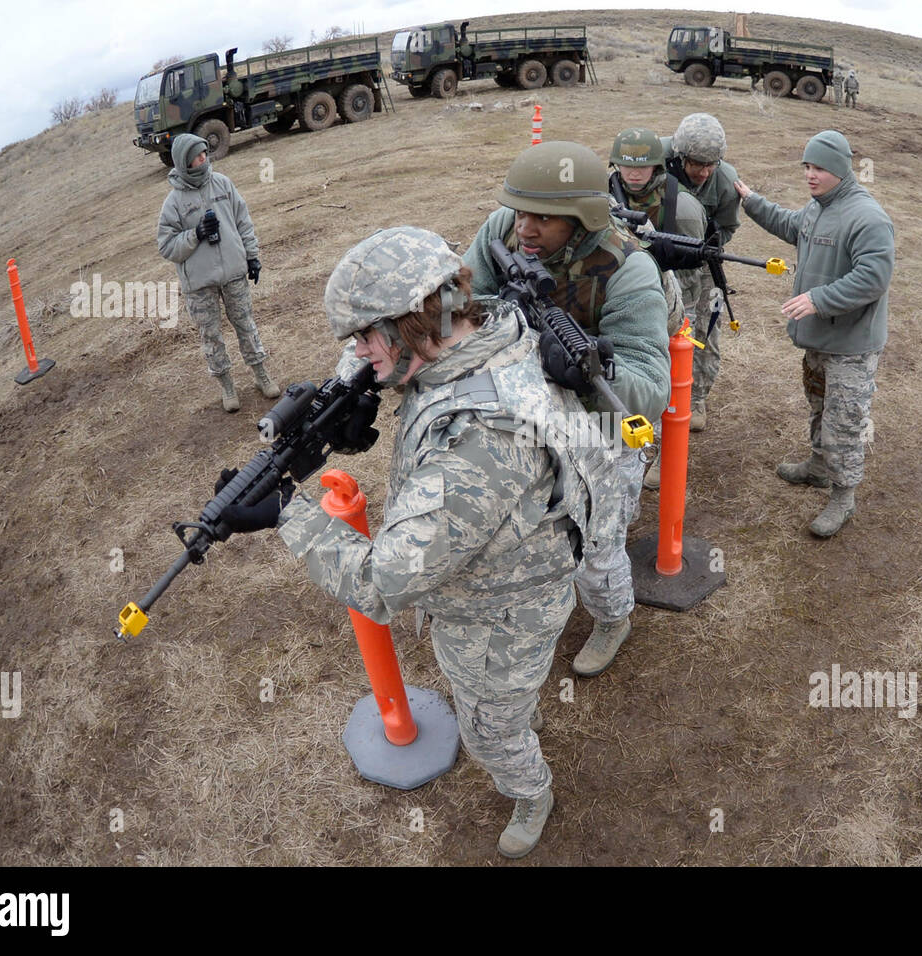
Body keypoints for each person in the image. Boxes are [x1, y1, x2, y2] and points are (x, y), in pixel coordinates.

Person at [266, 226, 620, 858]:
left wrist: (286, 514)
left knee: (487, 728)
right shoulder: (488, 326)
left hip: (502, 608)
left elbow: (382, 583)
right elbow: (378, 359)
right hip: (524, 565)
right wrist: (348, 387)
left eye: (365, 336)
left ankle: (530, 789)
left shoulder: (480, 441)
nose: (357, 351)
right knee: (511, 696)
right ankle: (520, 707)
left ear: (410, 324)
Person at [464, 141, 670, 677]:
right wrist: (508, 329)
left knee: (597, 545)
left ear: (581, 219)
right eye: (521, 211)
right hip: (527, 409)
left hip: (599, 420)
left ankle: (611, 618)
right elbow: (462, 307)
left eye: (544, 218)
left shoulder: (629, 271)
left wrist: (584, 373)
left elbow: (649, 390)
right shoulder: (502, 231)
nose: (525, 229)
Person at [733, 130, 894, 538]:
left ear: (840, 168)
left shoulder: (867, 217)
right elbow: (791, 225)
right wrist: (751, 200)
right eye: (806, 166)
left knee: (845, 421)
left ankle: (844, 497)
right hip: (820, 341)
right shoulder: (817, 208)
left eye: (818, 167)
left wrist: (820, 299)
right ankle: (819, 468)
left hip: (851, 347)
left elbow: (873, 278)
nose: (810, 174)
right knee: (819, 406)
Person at [606, 126, 708, 490]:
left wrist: (676, 319)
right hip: (618, 293)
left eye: (643, 166)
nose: (633, 174)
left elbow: (693, 272)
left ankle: (665, 451)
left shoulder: (682, 207)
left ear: (657, 167)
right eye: (626, 166)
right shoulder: (602, 192)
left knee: (669, 376)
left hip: (672, 294)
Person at [157, 133, 280, 411]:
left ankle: (261, 375)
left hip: (234, 273)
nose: (204, 160)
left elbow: (243, 222)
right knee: (211, 336)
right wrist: (195, 234)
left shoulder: (223, 183)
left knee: (246, 326)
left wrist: (252, 257)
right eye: (197, 156)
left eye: (204, 154)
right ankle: (227, 387)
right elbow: (166, 246)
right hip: (199, 284)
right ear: (184, 162)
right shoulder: (174, 202)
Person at [662, 113, 741, 432]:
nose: (704, 171)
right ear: (680, 156)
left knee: (707, 327)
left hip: (704, 259)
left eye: (711, 164)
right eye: (697, 164)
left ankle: (695, 398)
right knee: (663, 323)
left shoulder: (725, 181)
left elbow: (728, 226)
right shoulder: (656, 158)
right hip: (660, 253)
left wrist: (705, 245)